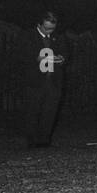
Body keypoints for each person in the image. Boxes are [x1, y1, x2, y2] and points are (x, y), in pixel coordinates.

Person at [23, 11, 66, 148]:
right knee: (33, 111)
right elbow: (22, 55)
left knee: (50, 111)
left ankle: (44, 141)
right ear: (39, 25)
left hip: (53, 81)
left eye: (52, 28)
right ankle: (31, 140)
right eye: (47, 28)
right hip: (35, 81)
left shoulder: (58, 37)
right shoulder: (27, 36)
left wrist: (62, 59)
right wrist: (37, 58)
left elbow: (65, 53)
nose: (50, 31)